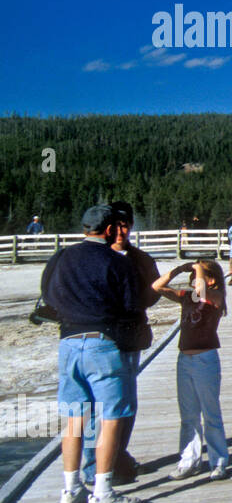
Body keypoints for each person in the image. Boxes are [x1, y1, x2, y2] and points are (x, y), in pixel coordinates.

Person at [42, 204, 143, 503]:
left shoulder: (61, 257)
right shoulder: (116, 261)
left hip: (68, 343)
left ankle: (71, 490)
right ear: (111, 229)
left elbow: (47, 295)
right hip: (103, 343)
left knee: (74, 418)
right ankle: (102, 493)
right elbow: (130, 305)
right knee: (111, 416)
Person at [78, 201, 161, 487]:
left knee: (124, 403)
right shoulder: (93, 257)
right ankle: (92, 464)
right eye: (119, 226)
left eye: (128, 226)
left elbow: (152, 295)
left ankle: (116, 455)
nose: (123, 231)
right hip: (96, 340)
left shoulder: (141, 259)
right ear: (109, 228)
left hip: (127, 339)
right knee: (89, 405)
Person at [152, 259, 231, 480]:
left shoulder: (215, 297)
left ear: (211, 280)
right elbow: (156, 287)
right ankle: (189, 460)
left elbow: (203, 296)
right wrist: (177, 270)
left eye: (197, 277)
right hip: (184, 360)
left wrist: (197, 267)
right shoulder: (187, 298)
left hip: (206, 359)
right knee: (188, 415)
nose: (192, 282)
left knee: (210, 413)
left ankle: (218, 461)